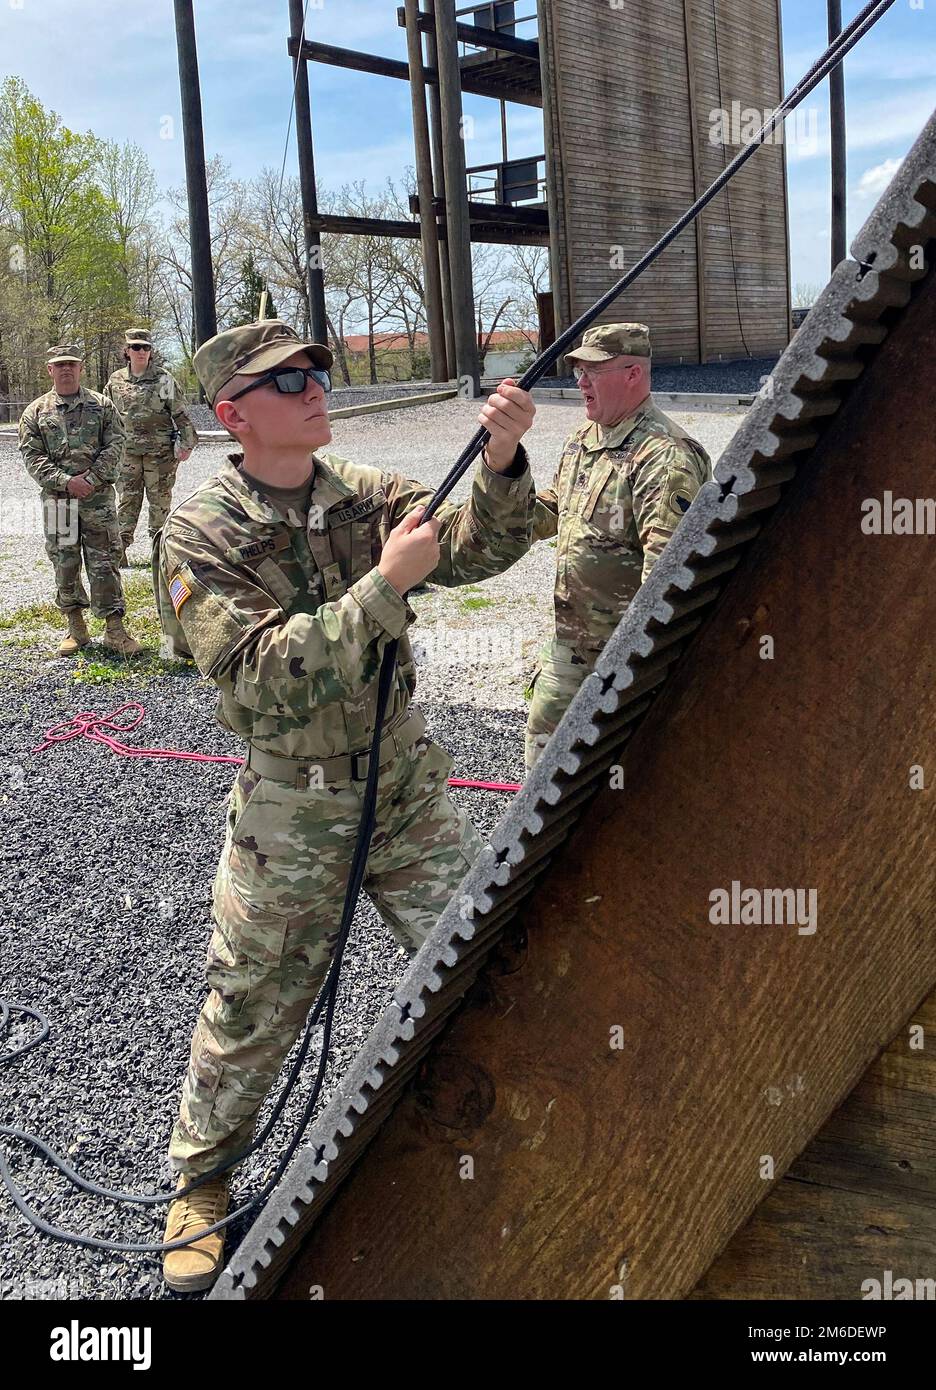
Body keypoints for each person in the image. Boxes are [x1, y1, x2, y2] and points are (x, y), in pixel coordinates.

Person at [154, 319, 537, 1291]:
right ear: (234, 414)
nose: (316, 384)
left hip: (401, 785)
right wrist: (381, 591)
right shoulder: (201, 532)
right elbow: (258, 680)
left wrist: (499, 462)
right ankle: (201, 1180)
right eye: (287, 379)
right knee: (248, 1005)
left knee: (483, 949)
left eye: (317, 369)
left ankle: (517, 1124)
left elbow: (477, 546)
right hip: (293, 809)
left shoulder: (363, 494)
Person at [525, 323, 711, 768]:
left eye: (593, 370)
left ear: (632, 374)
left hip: (623, 661)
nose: (580, 382)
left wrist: (636, 677)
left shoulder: (664, 457)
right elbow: (555, 510)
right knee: (542, 778)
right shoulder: (583, 441)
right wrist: (501, 479)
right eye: (578, 371)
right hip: (570, 649)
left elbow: (666, 582)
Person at [18, 345, 142, 657]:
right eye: (59, 365)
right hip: (59, 503)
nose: (66, 370)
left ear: (80, 367)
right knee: (65, 563)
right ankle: (76, 628)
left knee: (105, 563)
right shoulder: (35, 412)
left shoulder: (102, 406)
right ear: (50, 370)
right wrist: (66, 481)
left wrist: (91, 479)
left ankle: (115, 630)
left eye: (71, 364)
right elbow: (32, 457)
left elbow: (116, 445)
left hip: (97, 501)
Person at [104, 329, 197, 564]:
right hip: (127, 454)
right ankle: (120, 551)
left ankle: (160, 553)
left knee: (160, 502)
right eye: (136, 347)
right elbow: (107, 417)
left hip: (160, 454)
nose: (141, 352)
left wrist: (187, 444)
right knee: (127, 501)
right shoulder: (115, 381)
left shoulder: (163, 379)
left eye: (146, 348)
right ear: (127, 351)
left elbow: (180, 413)